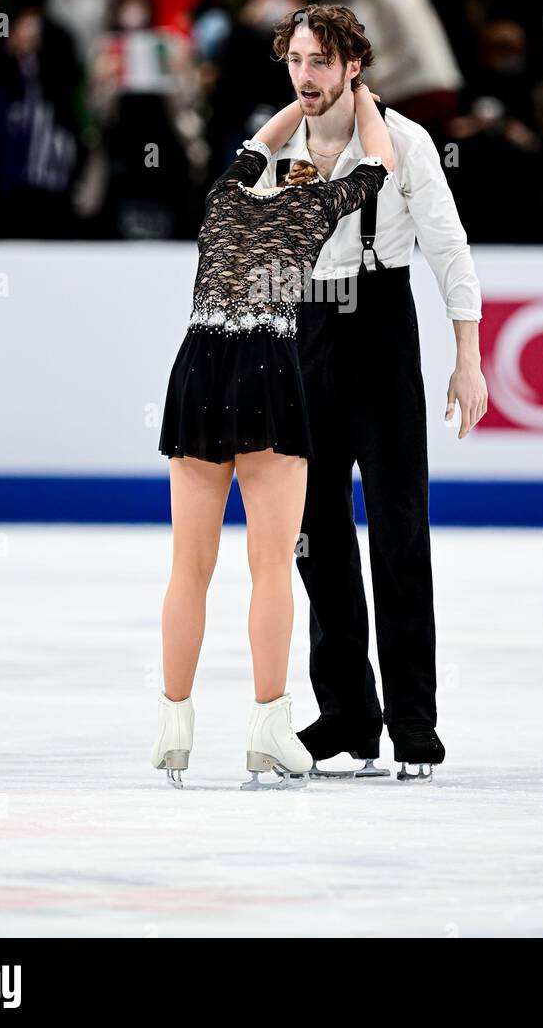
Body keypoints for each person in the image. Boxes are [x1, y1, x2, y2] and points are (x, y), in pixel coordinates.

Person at [260, 4, 486, 781]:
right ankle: (351, 714)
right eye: (296, 60)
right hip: (304, 334)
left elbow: (450, 249)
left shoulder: (409, 142)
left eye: (320, 61)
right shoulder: (278, 142)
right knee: (313, 536)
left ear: (353, 64)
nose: (306, 76)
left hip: (382, 328)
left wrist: (468, 358)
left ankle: (414, 722)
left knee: (397, 531)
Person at [152, 84, 394, 788]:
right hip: (266, 367)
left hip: (197, 365)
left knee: (188, 566)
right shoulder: (316, 207)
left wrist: (297, 103)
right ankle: (267, 728)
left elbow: (254, 145)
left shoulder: (225, 197)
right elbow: (377, 164)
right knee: (269, 566)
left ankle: (173, 723)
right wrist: (358, 99)